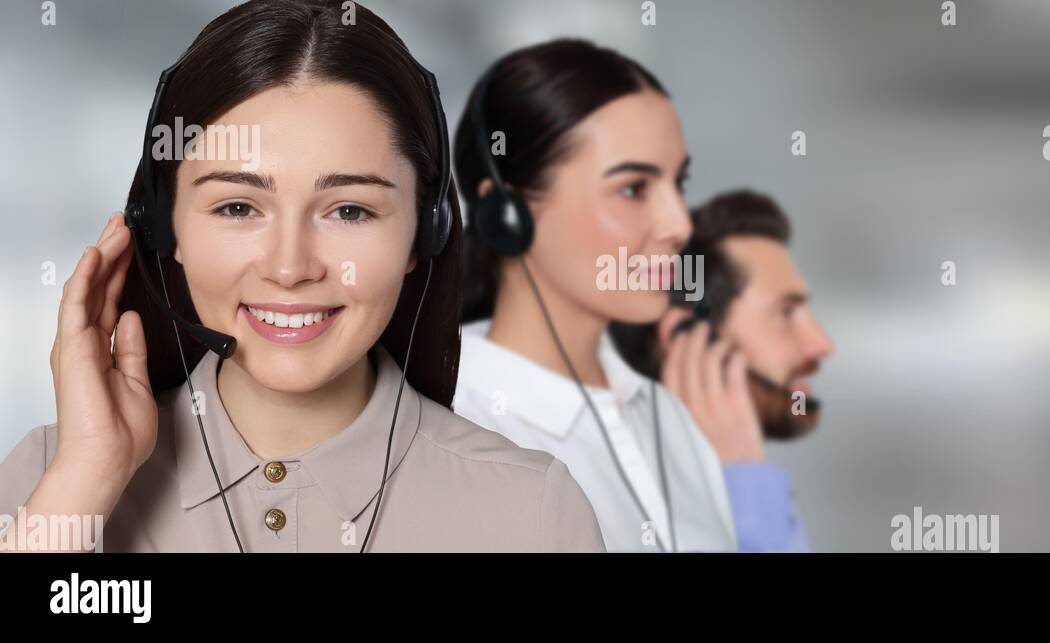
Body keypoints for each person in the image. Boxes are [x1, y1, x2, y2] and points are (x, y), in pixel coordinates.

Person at [0, 0, 603, 553]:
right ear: (164, 227)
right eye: (238, 208)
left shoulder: (531, 512)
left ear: (426, 233)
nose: (289, 268)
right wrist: (87, 474)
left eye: (349, 210)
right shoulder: (49, 479)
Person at [451, 39, 736, 552]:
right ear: (507, 213)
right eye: (633, 189)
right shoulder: (445, 431)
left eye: (679, 183)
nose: (679, 224)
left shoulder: (668, 417)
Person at [612, 190, 834, 552]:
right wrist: (741, 478)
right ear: (687, 335)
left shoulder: (754, 497)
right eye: (785, 313)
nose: (822, 344)